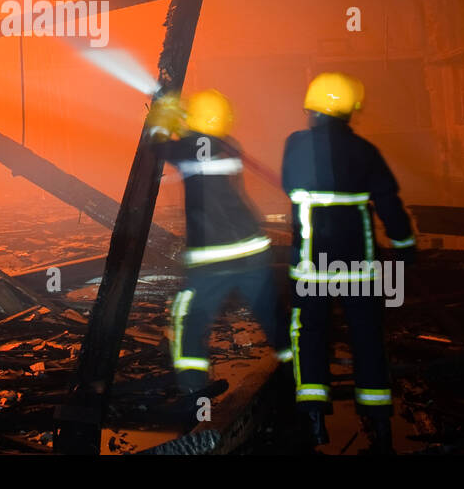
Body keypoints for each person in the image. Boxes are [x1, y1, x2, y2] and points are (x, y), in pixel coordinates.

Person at [281, 72, 416, 453]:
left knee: (309, 335)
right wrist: (405, 248)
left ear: (311, 109)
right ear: (349, 111)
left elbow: (288, 185)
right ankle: (380, 426)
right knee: (368, 338)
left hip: (311, 268)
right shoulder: (366, 151)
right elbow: (390, 203)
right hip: (360, 270)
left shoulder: (295, 145)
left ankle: (312, 419)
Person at [147, 89, 292, 397]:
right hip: (252, 252)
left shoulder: (191, 147)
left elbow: (156, 146)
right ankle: (298, 377)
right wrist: (179, 122)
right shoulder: (227, 146)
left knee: (189, 319)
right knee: (272, 316)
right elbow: (194, 146)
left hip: (213, 259)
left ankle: (191, 391)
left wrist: (161, 118)